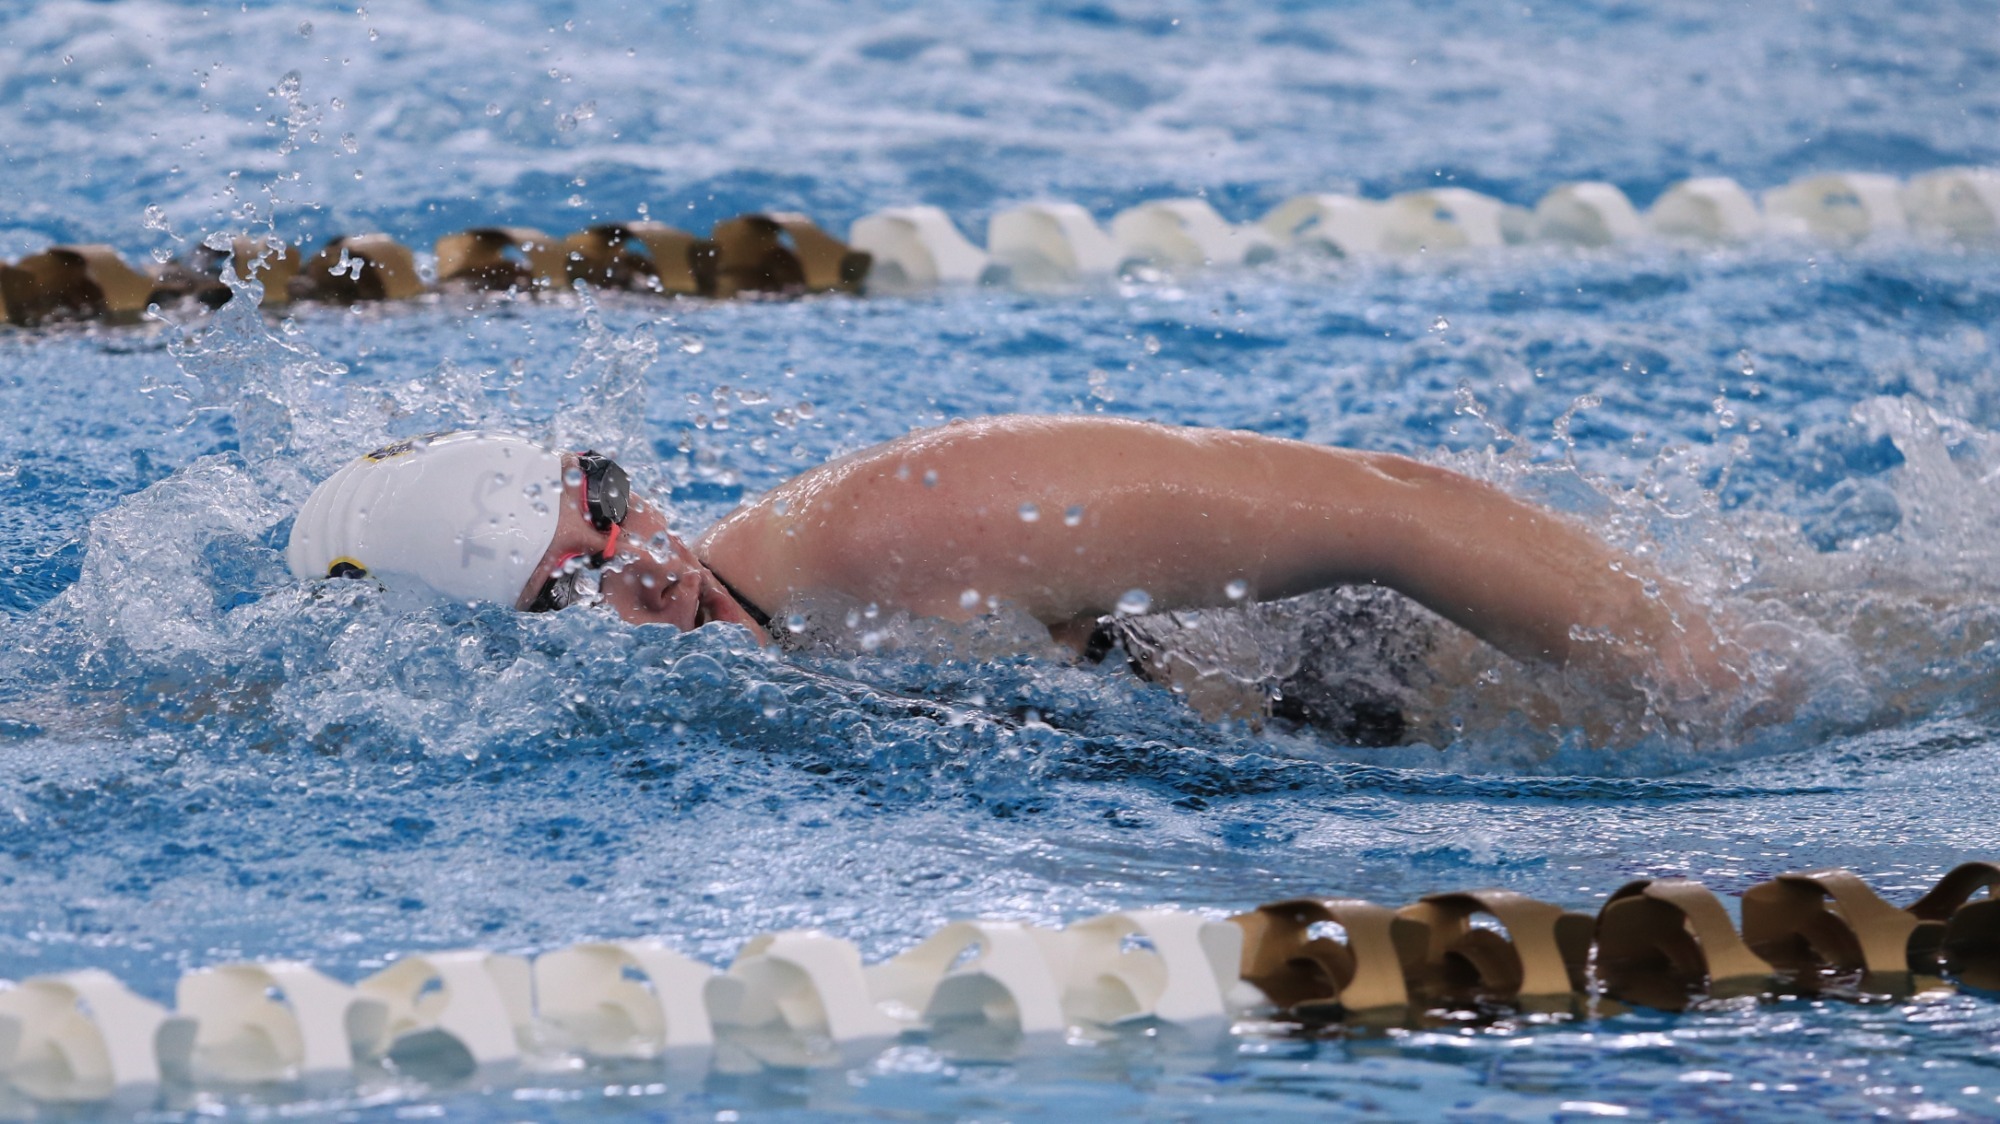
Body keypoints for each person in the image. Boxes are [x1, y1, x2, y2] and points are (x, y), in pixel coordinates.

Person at [287, 416, 1743, 722]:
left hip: (1415, 655)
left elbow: (1395, 505)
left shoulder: (900, 532)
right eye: (572, 590)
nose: (648, 567)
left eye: (606, 502)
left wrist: (1692, 670)